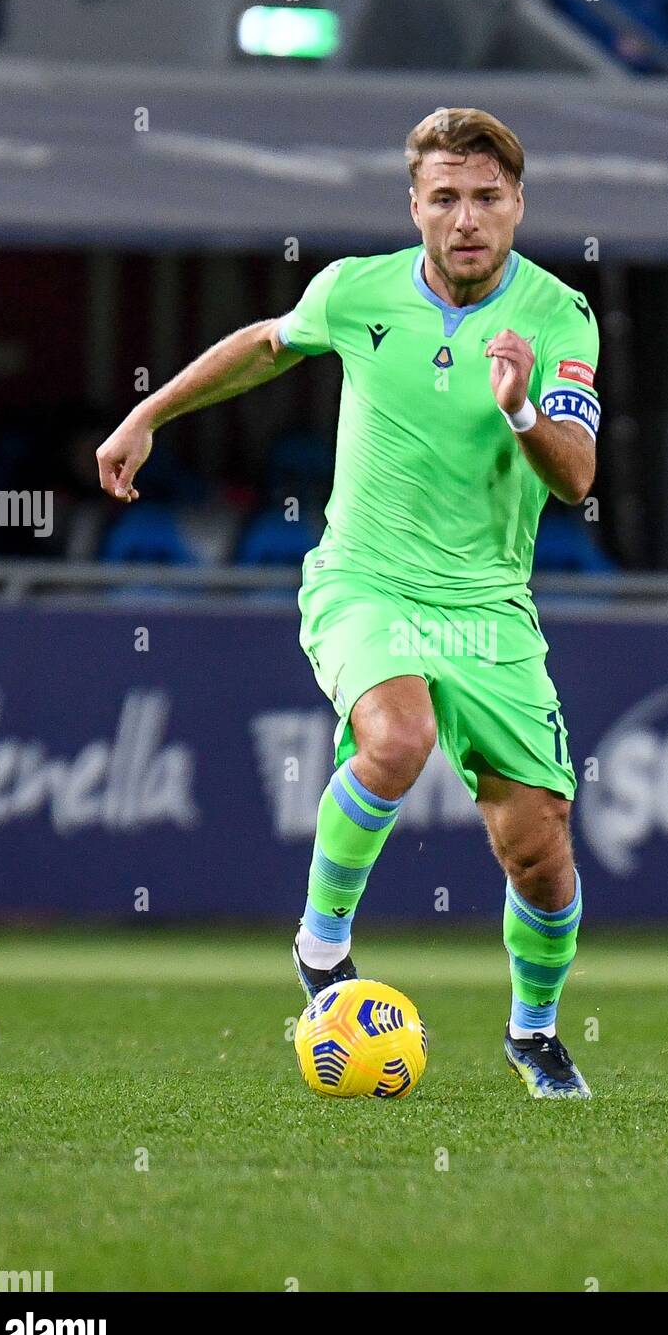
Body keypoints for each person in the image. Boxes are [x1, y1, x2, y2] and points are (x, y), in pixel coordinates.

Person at [96, 108, 600, 1098]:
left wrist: (522, 407)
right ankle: (323, 945)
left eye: (487, 199)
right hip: (364, 581)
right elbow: (265, 346)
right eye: (446, 198)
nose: (467, 219)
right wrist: (149, 413)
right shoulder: (356, 289)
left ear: (517, 207)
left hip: (490, 610)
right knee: (397, 737)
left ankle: (533, 1032)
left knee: (539, 852)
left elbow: (577, 479)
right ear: (414, 205)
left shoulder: (556, 315)